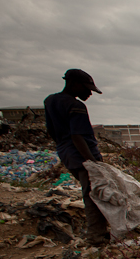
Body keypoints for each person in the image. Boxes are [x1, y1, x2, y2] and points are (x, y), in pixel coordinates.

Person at [43, 69, 109, 245]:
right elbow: (77, 136)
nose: (89, 93)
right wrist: (92, 161)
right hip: (82, 155)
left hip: (67, 154)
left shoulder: (50, 101)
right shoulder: (76, 106)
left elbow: (51, 130)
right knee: (93, 196)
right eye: (87, 89)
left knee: (90, 192)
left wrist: (64, 148)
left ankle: (100, 232)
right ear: (73, 83)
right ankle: (97, 237)